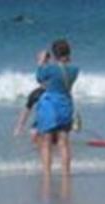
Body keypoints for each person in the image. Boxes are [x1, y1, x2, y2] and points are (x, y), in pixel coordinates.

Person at [32, 38, 78, 179]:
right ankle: (66, 173)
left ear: (54, 54)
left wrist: (41, 62)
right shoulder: (74, 70)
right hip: (65, 105)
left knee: (46, 142)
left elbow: (39, 78)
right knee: (63, 142)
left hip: (50, 107)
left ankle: (47, 174)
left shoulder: (50, 69)